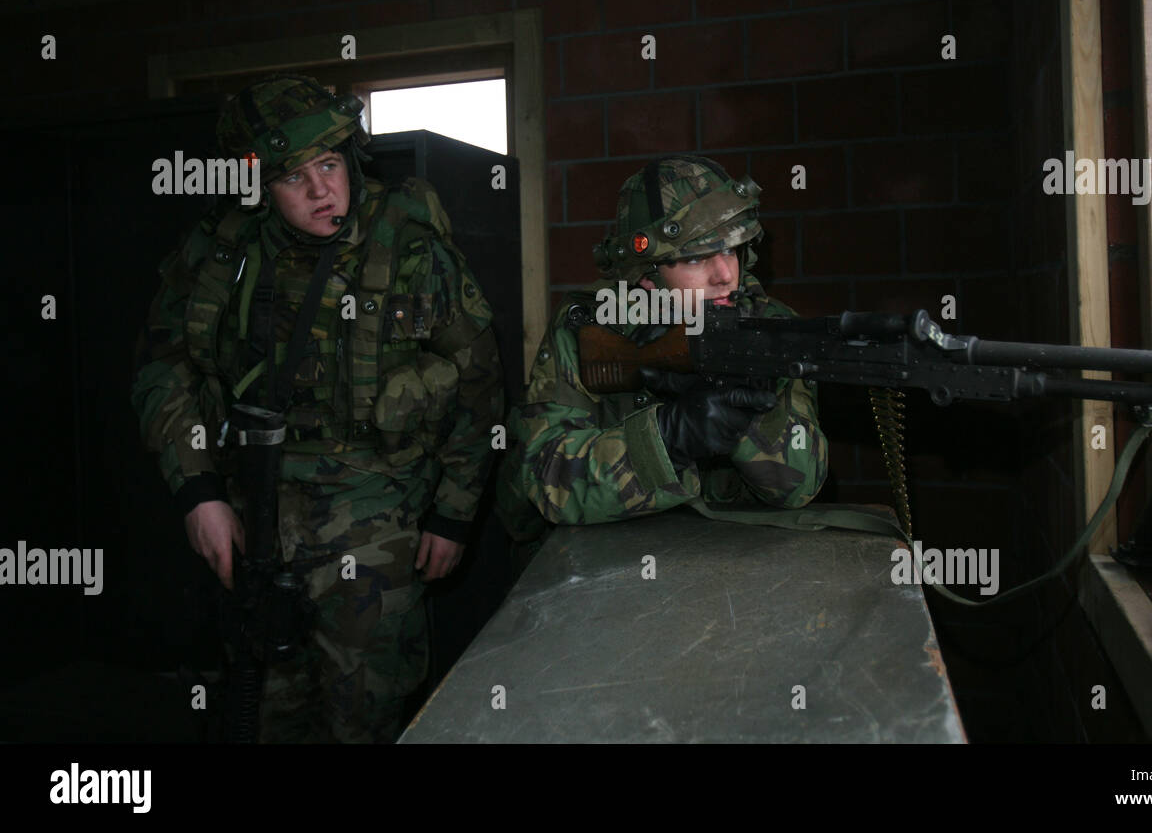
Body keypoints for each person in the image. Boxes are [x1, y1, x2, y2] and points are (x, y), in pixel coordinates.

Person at [131, 74, 503, 742]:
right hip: (255, 514)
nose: (320, 190)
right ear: (259, 186)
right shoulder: (224, 253)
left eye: (329, 164)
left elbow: (478, 384)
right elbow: (166, 366)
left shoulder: (411, 248)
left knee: (369, 716)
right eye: (292, 176)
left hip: (376, 518)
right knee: (270, 715)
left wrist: (453, 512)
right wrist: (197, 490)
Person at [496, 155, 826, 554]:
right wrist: (668, 439)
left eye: (732, 250)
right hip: (608, 562)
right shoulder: (593, 325)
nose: (725, 274)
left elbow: (800, 487)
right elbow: (544, 479)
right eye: (695, 258)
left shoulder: (769, 327)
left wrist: (744, 422)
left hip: (735, 559)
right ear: (647, 277)